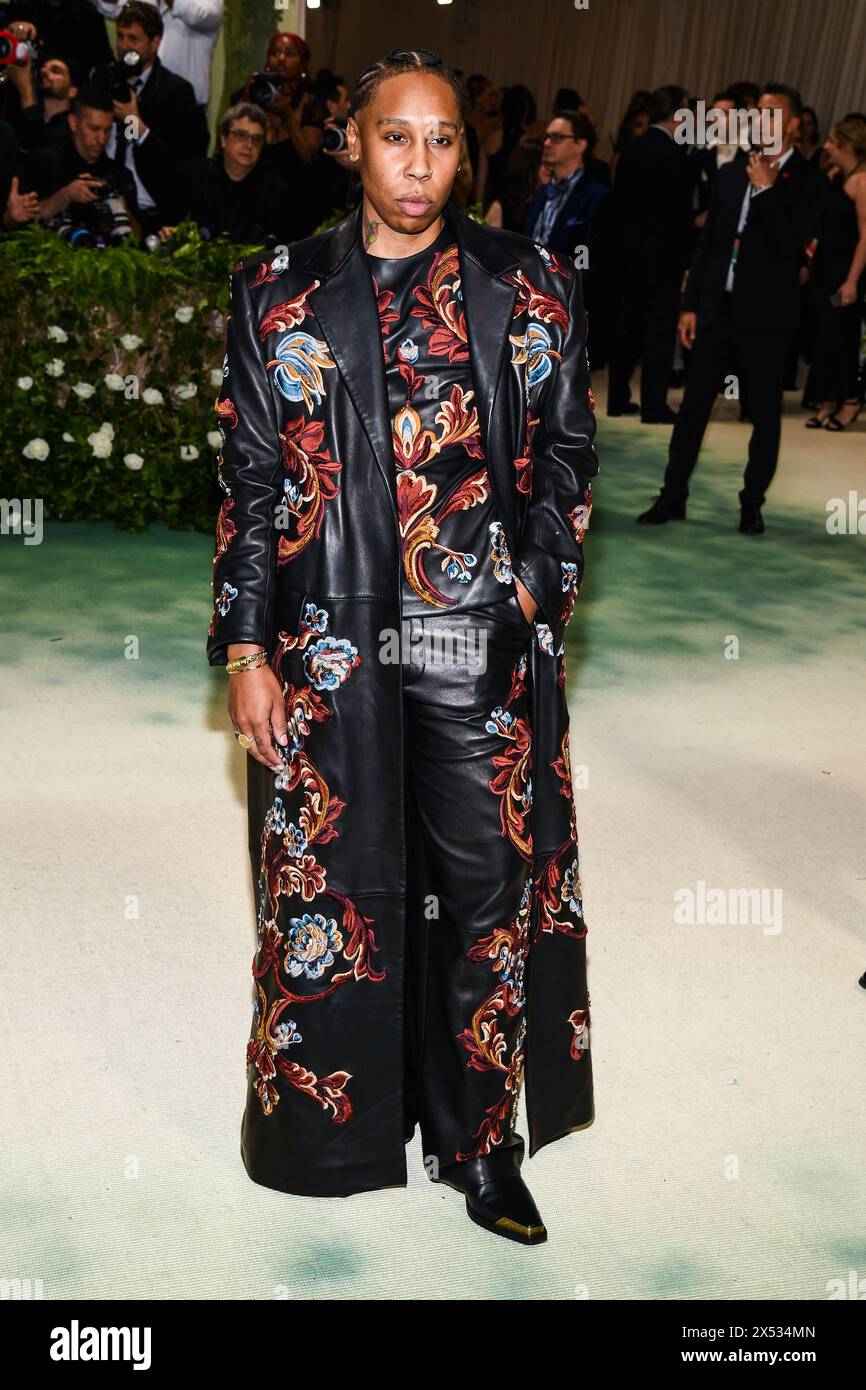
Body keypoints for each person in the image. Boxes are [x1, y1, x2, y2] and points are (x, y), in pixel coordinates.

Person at [206, 45, 599, 1245]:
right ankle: (331, 1129)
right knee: (338, 884)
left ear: (461, 154)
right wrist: (245, 650)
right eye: (394, 136)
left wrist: (527, 596)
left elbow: (570, 461)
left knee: (484, 897)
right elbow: (252, 486)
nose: (418, 163)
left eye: (440, 140)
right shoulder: (273, 292)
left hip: (473, 649)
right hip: (331, 646)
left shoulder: (526, 282)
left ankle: (481, 1146)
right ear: (351, 144)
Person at [636, 83, 823, 534]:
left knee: (764, 414)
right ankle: (672, 495)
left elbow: (794, 251)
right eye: (757, 113)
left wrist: (767, 192)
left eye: (773, 114)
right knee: (694, 408)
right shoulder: (732, 172)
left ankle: (751, 503)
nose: (761, 121)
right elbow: (710, 245)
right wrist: (690, 305)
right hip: (717, 310)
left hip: (769, 319)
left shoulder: (811, 181)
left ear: (793, 124)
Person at [606, 83, 693, 422]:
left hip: (628, 253)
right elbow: (679, 214)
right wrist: (687, 260)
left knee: (626, 326)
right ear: (676, 114)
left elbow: (619, 205)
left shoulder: (630, 149)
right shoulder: (675, 154)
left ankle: (616, 398)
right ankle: (654, 406)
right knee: (659, 330)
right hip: (663, 257)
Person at [525, 109, 612, 365]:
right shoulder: (543, 193)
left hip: (569, 310)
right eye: (547, 137)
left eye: (557, 137)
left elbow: (593, 263)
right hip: (529, 306)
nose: (547, 143)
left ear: (579, 145)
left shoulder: (598, 197)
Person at [802, 115, 866, 430]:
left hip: (846, 272)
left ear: (848, 146)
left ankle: (850, 401)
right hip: (824, 268)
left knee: (841, 338)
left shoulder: (862, 183)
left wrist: (852, 281)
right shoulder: (835, 176)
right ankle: (827, 400)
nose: (826, 146)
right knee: (823, 337)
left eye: (832, 141)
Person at [158, 102, 288, 245]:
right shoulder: (189, 175)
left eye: (257, 139)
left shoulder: (274, 191)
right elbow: (165, 228)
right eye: (241, 135)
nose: (249, 145)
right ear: (223, 139)